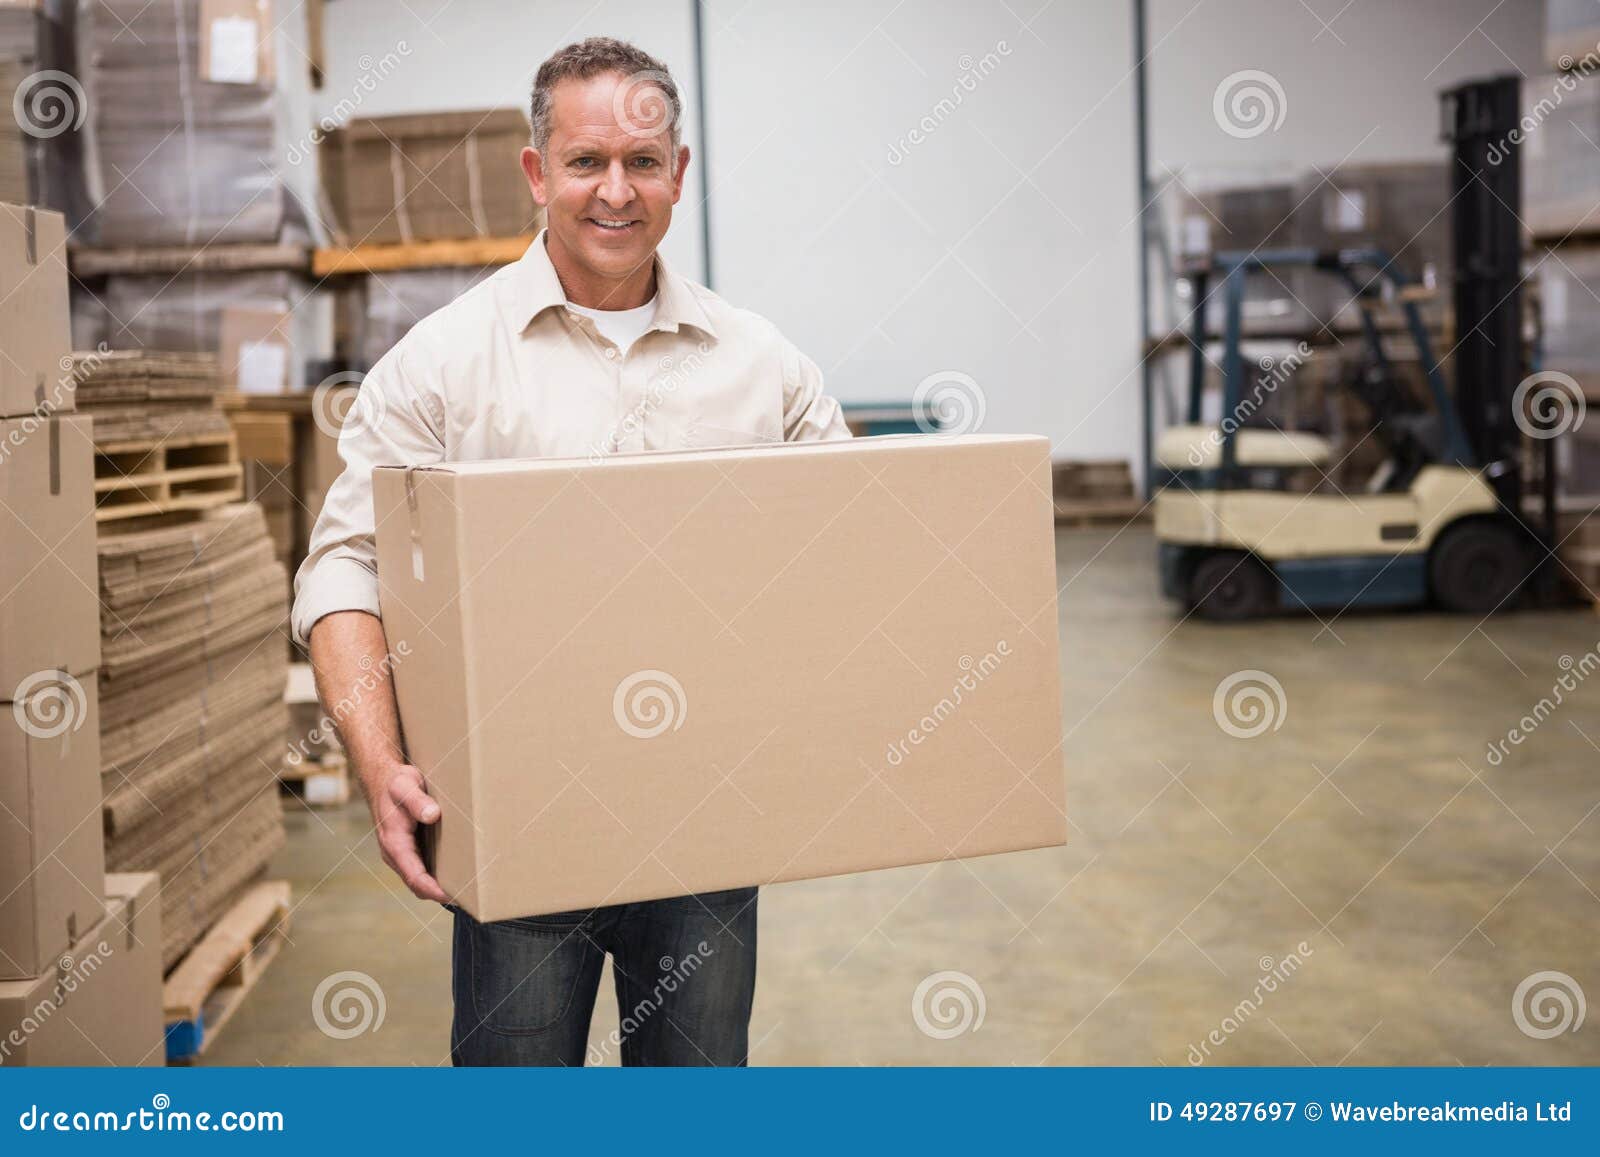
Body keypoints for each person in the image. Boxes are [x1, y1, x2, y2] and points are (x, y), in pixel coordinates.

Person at [291, 36, 851, 1066]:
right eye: (587, 161)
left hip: (708, 819)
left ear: (679, 172)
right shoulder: (443, 365)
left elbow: (847, 552)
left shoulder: (760, 367)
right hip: (518, 815)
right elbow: (344, 570)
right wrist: (379, 763)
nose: (616, 190)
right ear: (537, 172)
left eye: (643, 162)